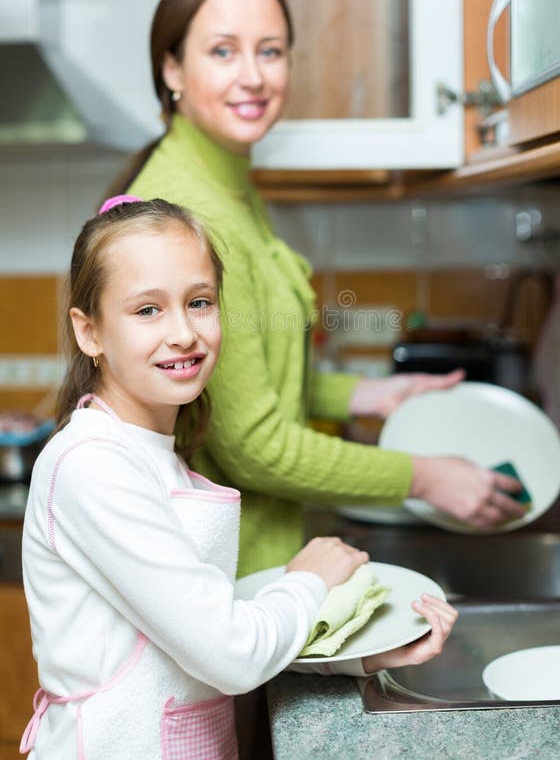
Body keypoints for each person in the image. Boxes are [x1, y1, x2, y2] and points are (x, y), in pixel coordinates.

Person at [107, 0, 526, 579]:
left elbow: (247, 370)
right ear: (172, 68)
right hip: (225, 584)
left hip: (255, 571)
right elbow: (257, 448)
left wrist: (365, 393)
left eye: (270, 51)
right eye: (223, 52)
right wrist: (425, 476)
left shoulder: (226, 187)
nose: (252, 75)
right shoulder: (189, 214)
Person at [20, 196, 457, 760]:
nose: (183, 332)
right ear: (90, 332)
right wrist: (310, 579)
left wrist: (364, 654)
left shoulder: (151, 453)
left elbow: (198, 632)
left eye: (199, 302)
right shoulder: (91, 466)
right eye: (147, 310)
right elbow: (231, 652)